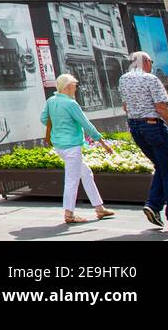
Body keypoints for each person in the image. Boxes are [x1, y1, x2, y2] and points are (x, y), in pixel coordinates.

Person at [119, 51, 168, 232]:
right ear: (146, 62)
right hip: (153, 126)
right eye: (151, 61)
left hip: (136, 128)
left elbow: (125, 106)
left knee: (161, 167)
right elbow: (162, 108)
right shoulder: (150, 79)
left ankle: (154, 205)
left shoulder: (123, 79)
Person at [41, 74, 115, 225]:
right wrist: (104, 143)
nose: (77, 87)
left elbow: (43, 119)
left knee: (86, 173)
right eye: (75, 84)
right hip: (72, 147)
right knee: (72, 180)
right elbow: (87, 125)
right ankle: (69, 214)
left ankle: (100, 208)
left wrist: (58, 126)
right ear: (68, 87)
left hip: (59, 146)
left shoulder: (51, 101)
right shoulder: (71, 104)